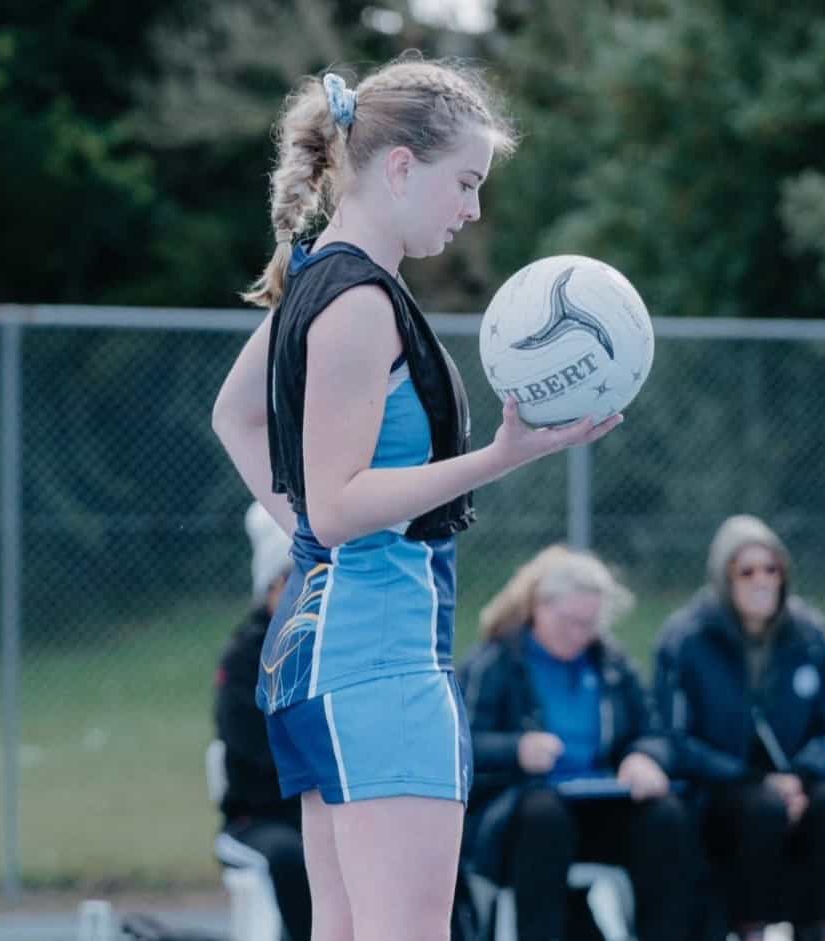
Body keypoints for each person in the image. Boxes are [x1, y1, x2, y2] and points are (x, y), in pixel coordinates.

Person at [211, 54, 622, 941]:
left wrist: (310, 539)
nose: (471, 208)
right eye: (464, 181)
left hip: (325, 648)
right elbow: (344, 499)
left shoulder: (317, 276)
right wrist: (505, 454)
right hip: (381, 654)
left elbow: (234, 418)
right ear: (401, 167)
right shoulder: (358, 300)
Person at [459, 545, 697, 941]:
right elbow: (461, 744)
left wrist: (643, 757)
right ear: (539, 607)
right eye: (570, 621)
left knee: (664, 815)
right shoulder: (495, 663)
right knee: (544, 816)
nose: (580, 634)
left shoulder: (611, 664)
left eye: (590, 623)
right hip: (519, 817)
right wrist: (515, 749)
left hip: (598, 807)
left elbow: (656, 732)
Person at [652, 514, 825, 941]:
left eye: (772, 569)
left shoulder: (809, 633)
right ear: (723, 577)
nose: (761, 580)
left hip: (799, 778)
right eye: (746, 570)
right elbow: (675, 735)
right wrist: (752, 778)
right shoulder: (687, 638)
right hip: (721, 785)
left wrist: (802, 775)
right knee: (762, 810)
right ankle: (752, 931)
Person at [213, 503, 311, 941]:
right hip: (260, 816)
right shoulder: (243, 659)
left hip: (323, 805)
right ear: (270, 589)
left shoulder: (326, 647)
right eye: (289, 580)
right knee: (290, 856)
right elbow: (249, 743)